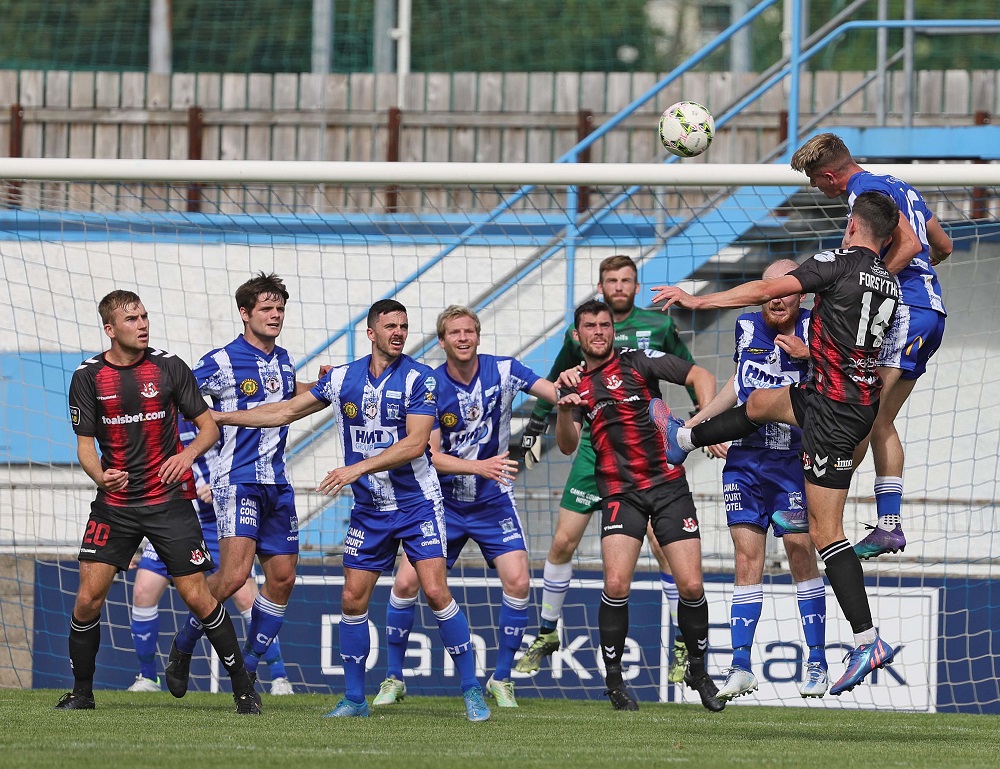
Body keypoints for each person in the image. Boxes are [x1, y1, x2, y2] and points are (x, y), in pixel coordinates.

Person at [652, 191, 902, 696]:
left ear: (853, 227)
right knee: (764, 402)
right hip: (846, 401)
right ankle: (684, 436)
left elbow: (766, 289)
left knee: (825, 532)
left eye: (846, 223)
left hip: (830, 412)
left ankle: (867, 639)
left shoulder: (838, 262)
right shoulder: (889, 282)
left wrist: (701, 300)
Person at [212, 299, 491, 721]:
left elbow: (416, 445)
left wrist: (356, 467)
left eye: (403, 325)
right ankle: (355, 698)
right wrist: (220, 416)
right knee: (352, 598)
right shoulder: (343, 378)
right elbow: (285, 409)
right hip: (370, 509)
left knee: (435, 591)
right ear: (371, 332)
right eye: (390, 325)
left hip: (417, 504)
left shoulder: (420, 379)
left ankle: (472, 689)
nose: (398, 332)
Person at [58, 290, 260, 714]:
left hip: (169, 501)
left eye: (145, 316)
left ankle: (244, 689)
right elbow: (84, 447)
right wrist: (100, 475)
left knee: (199, 598)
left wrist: (185, 456)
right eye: (132, 319)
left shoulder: (169, 367)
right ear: (110, 329)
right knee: (87, 598)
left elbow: (209, 429)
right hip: (115, 504)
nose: (143, 324)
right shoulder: (88, 376)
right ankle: (81, 694)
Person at [515, 254, 703, 681]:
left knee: (661, 547)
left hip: (643, 457)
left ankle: (679, 641)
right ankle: (546, 632)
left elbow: (689, 373)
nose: (618, 287)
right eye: (611, 281)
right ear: (601, 289)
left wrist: (700, 427)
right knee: (563, 541)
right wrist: (534, 427)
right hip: (592, 450)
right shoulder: (578, 330)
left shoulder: (658, 326)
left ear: (636, 287)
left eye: (626, 280)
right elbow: (558, 381)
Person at [373, 306, 559, 710]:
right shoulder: (428, 384)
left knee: (519, 581)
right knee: (405, 584)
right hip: (441, 503)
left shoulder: (504, 370)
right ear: (442, 341)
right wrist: (479, 466)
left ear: (478, 335)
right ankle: (394, 677)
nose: (462, 337)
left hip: (492, 501)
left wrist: (574, 389)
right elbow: (429, 453)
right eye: (454, 332)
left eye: (469, 331)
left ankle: (502, 679)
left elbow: (553, 392)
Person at [553, 299, 721, 711]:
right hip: (619, 492)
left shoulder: (640, 361)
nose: (598, 331)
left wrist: (698, 424)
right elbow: (566, 445)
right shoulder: (577, 386)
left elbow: (701, 374)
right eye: (590, 326)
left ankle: (699, 672)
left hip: (667, 486)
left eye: (604, 325)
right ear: (577, 335)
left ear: (614, 330)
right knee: (615, 585)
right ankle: (614, 683)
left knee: (692, 585)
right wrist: (563, 409)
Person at [790, 133, 953, 559]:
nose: (816, 189)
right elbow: (943, 246)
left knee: (861, 406)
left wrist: (867, 279)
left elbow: (912, 245)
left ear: (829, 176)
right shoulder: (899, 184)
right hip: (929, 313)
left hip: (908, 312)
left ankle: (822, 507)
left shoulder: (866, 192)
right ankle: (886, 523)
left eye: (814, 181)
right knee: (878, 417)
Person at [685, 260, 828, 702]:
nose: (777, 297)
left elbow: (841, 382)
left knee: (801, 554)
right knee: (747, 560)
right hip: (745, 461)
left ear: (801, 293)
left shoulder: (819, 328)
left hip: (791, 461)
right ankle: (741, 665)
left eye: (785, 289)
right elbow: (739, 385)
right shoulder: (746, 326)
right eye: (768, 289)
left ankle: (818, 662)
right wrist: (702, 423)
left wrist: (813, 356)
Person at [166, 273, 310, 699]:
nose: (275, 315)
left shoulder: (283, 358)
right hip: (238, 481)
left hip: (277, 484)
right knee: (231, 578)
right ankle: (183, 646)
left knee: (282, 579)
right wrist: (183, 455)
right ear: (244, 313)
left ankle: (245, 667)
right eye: (266, 309)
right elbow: (177, 398)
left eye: (280, 309)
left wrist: (325, 385)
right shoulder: (221, 360)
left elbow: (286, 398)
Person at [127, 416, 293, 696]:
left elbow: (241, 456)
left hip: (218, 521)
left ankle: (279, 677)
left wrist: (219, 486)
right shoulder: (155, 423)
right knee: (143, 589)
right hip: (173, 520)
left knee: (244, 594)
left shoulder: (214, 420)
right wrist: (131, 537)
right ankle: (147, 677)